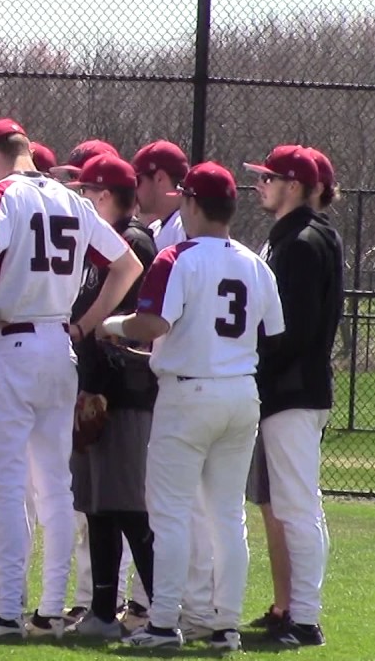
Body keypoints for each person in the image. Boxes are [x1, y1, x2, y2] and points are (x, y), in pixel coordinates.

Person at [0, 118, 141, 639]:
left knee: (6, 482)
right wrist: (85, 324)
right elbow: (126, 265)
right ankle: (50, 609)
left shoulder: (1, 194)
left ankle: (8, 611)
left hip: (11, 344)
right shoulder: (73, 200)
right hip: (58, 346)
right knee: (56, 486)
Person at [107, 161, 285, 651]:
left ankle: (164, 623)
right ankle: (224, 624)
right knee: (227, 514)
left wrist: (114, 325)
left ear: (189, 203)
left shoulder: (177, 257)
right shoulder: (255, 261)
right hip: (240, 391)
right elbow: (273, 335)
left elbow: (152, 325)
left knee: (170, 513)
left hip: (189, 393)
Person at [244, 145, 342, 647]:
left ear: (297, 186)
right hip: (292, 389)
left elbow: (293, 331)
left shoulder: (302, 242)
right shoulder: (294, 238)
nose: (261, 183)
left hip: (291, 392)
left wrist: (253, 374)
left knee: (297, 507)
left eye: (270, 177)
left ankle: (305, 619)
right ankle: (299, 613)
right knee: (297, 505)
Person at [61, 155, 158, 640]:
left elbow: (117, 328)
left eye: (85, 191)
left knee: (128, 507)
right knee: (99, 505)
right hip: (100, 389)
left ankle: (161, 612)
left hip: (126, 394)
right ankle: (103, 612)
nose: (80, 199)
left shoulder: (131, 241)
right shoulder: (103, 243)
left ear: (104, 196)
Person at [131, 138, 215, 638]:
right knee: (210, 511)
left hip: (187, 382)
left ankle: (177, 613)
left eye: (143, 180)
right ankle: (208, 615)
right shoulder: (242, 254)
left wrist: (116, 328)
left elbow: (157, 320)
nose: (138, 191)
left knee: (182, 509)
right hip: (218, 384)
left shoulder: (180, 241)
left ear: (163, 181)